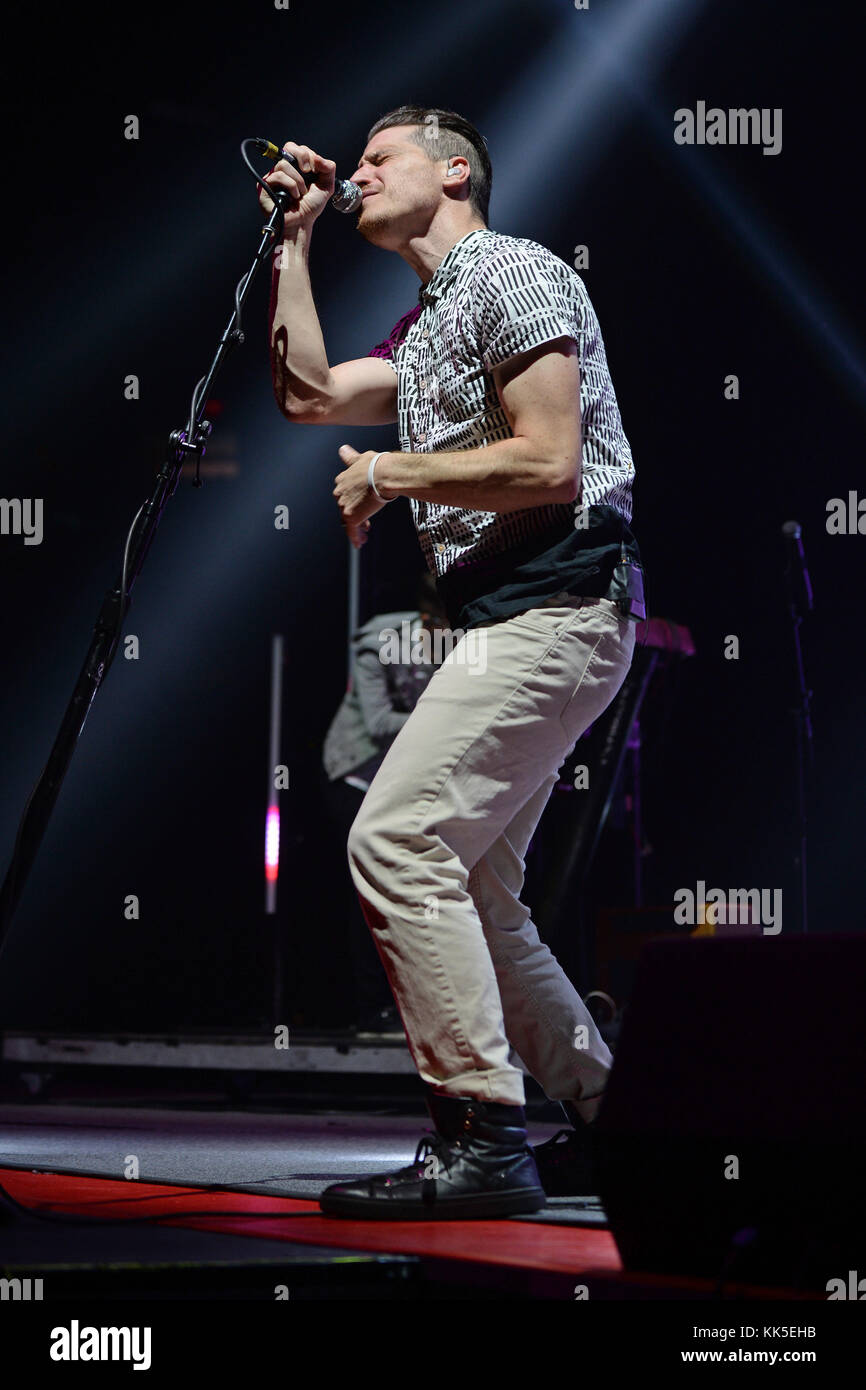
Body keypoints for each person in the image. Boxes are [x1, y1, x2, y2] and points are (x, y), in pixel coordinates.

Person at [262, 105, 644, 1220]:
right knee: (477, 892)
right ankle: (611, 1121)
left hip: (558, 607)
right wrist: (293, 237)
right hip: (516, 623)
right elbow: (309, 394)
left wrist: (391, 474)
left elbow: (548, 459)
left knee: (395, 839)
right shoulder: (427, 325)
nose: (362, 171)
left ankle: (480, 1131)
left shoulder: (509, 271)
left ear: (456, 168)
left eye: (381, 157)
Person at [321, 574, 448, 1035]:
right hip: (358, 773)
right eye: (445, 626)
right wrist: (450, 714)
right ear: (428, 618)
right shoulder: (382, 641)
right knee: (378, 889)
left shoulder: (468, 642)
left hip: (406, 781)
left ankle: (426, 1009)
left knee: (427, 891)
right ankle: (373, 1009)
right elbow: (377, 723)